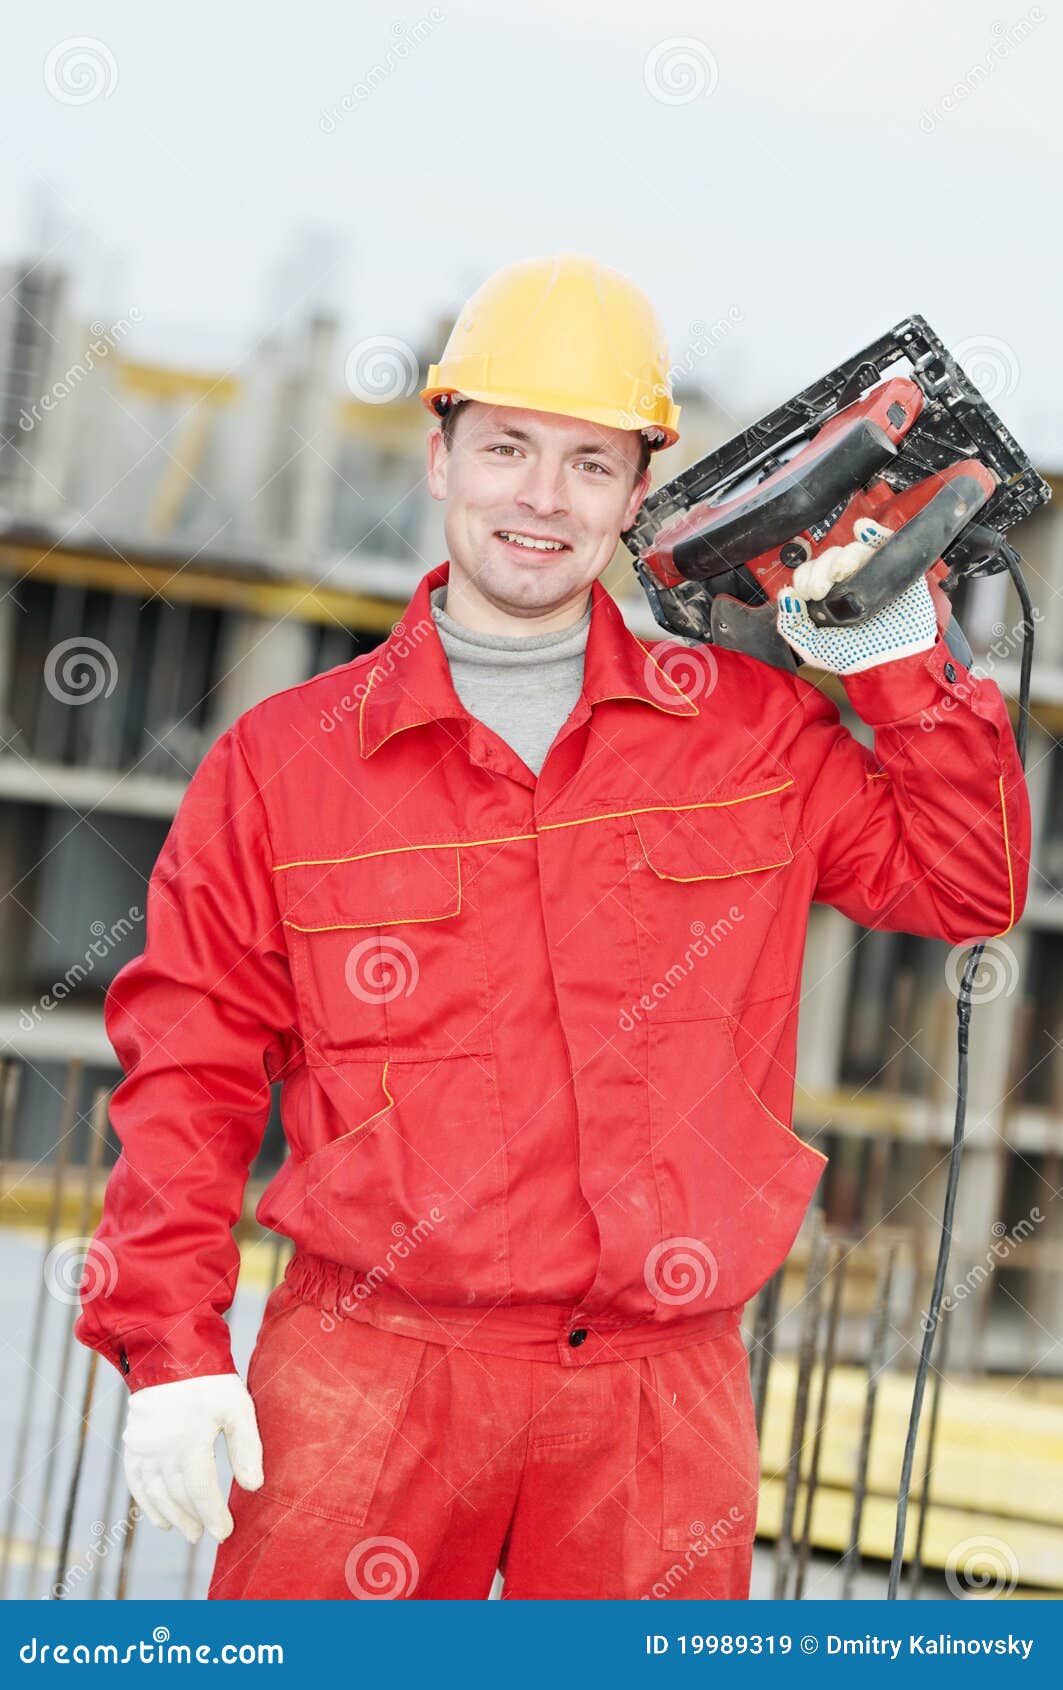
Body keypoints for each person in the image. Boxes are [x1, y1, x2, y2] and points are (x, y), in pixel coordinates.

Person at [75, 254, 1031, 1600]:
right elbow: (190, 1069)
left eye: (590, 464)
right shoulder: (287, 761)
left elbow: (966, 883)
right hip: (372, 1373)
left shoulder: (752, 735)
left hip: (655, 1396)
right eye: (509, 448)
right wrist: (170, 1347)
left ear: (640, 495)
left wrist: (905, 671)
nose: (543, 496)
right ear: (440, 458)